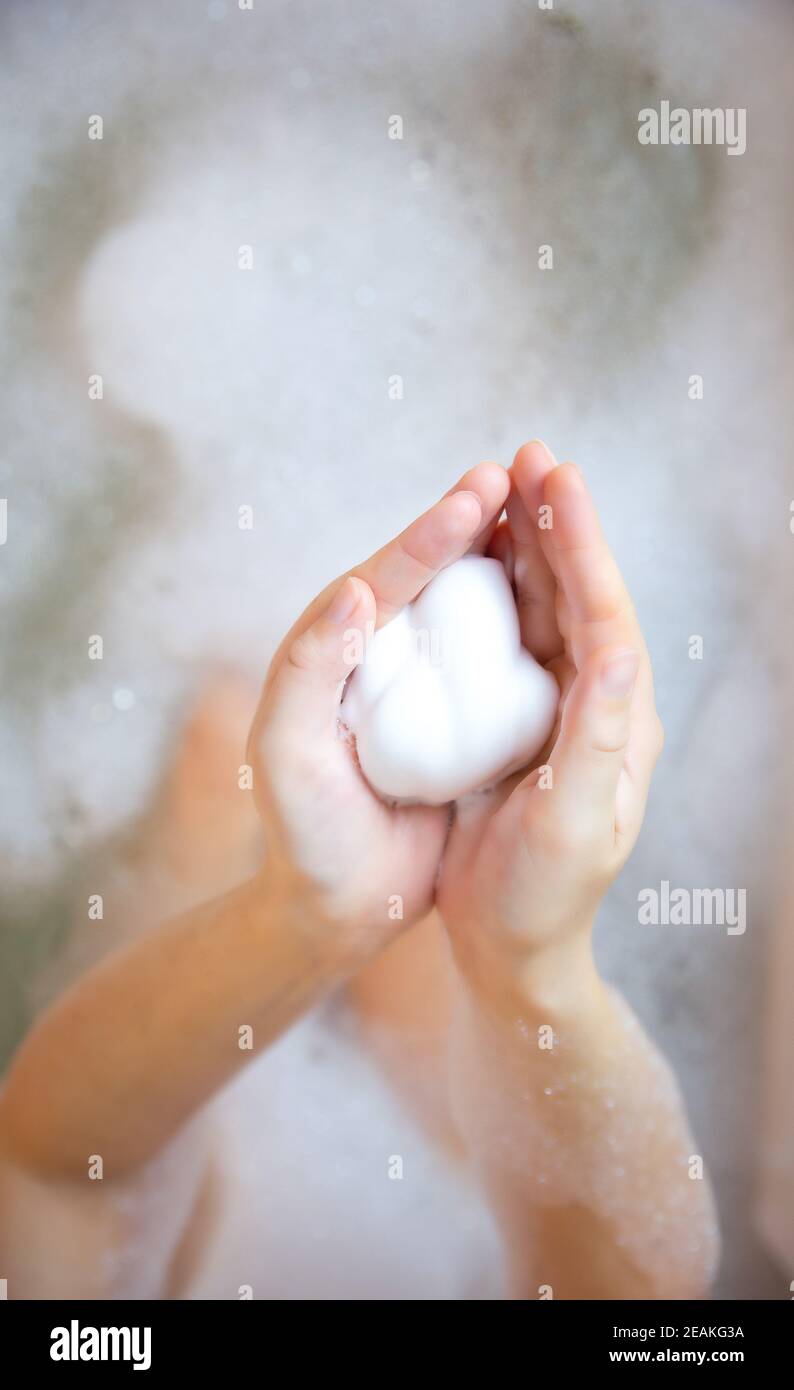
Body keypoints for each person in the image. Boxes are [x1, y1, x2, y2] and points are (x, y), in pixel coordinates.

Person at [0, 441, 719, 1300]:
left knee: (223, 755)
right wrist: (529, 962)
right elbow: (648, 1310)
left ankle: (302, 899)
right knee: (438, 987)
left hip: (204, 1236)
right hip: (438, 1217)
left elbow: (53, 1173)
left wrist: (311, 913)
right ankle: (410, 908)